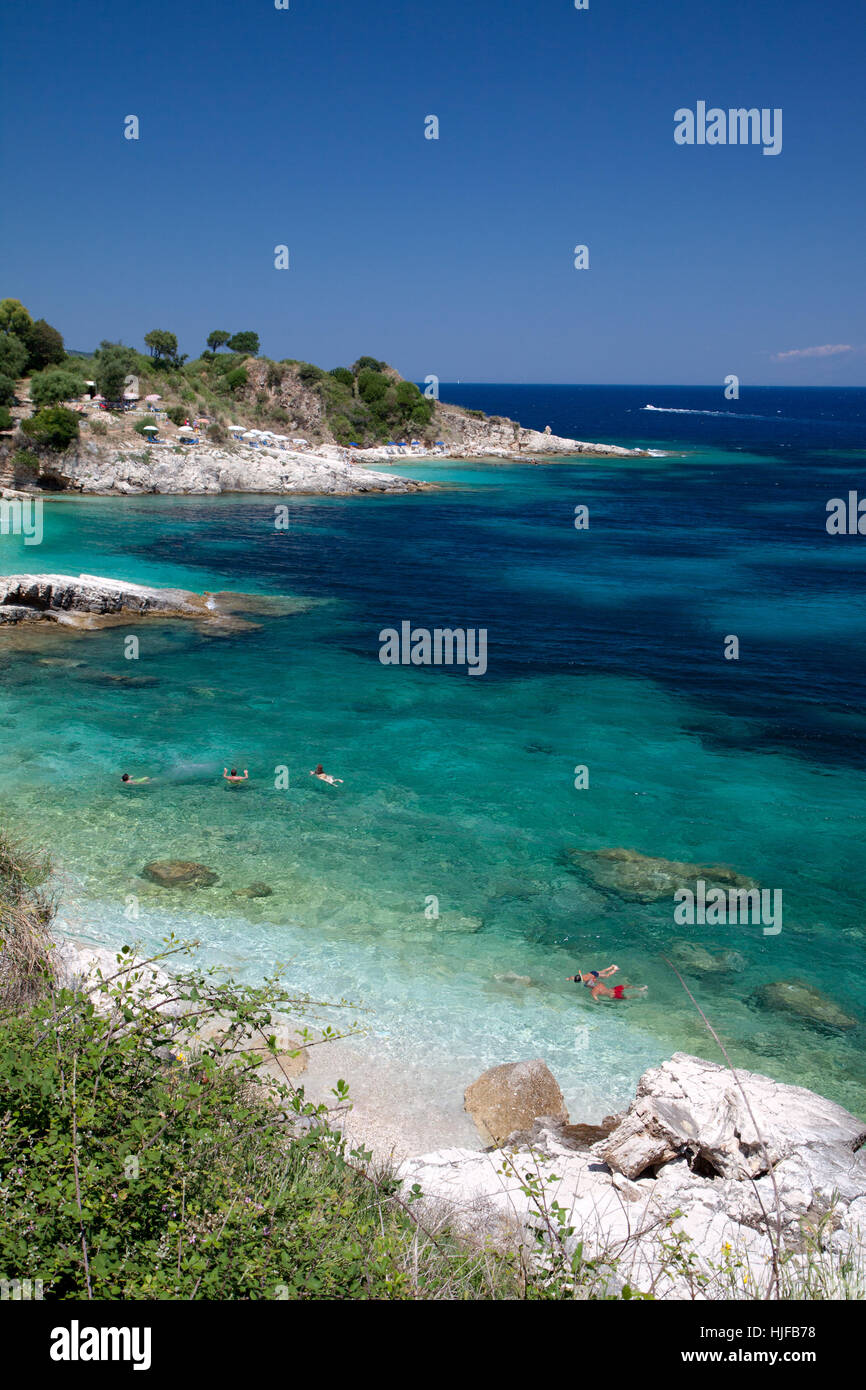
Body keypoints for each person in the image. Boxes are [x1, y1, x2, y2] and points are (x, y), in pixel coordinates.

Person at [567, 964, 647, 1002]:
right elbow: (573, 977)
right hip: (613, 990)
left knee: (627, 996)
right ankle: (640, 989)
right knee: (626, 986)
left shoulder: (594, 991)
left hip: (613, 994)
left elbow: (596, 999)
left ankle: (639, 994)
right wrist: (568, 978)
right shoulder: (599, 984)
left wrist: (598, 1002)